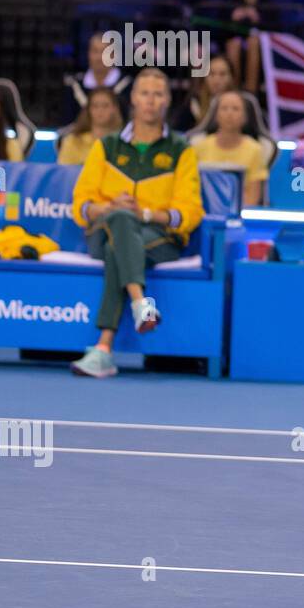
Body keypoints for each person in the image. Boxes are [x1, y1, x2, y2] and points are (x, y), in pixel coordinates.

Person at [69, 69, 204, 378]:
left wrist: (145, 214)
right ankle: (140, 302)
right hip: (104, 234)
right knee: (118, 218)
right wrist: (109, 207)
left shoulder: (181, 151)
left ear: (168, 101)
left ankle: (103, 348)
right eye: (145, 93)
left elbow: (189, 213)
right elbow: (81, 206)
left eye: (158, 94)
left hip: (160, 240)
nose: (151, 101)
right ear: (133, 99)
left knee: (122, 239)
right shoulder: (107, 147)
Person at [193, 90, 269, 207]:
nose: (229, 113)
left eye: (235, 109)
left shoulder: (255, 150)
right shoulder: (199, 147)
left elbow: (253, 199)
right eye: (224, 108)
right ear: (216, 115)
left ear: (245, 116)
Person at [62, 33, 132, 126]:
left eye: (104, 52)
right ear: (88, 54)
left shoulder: (128, 85)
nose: (99, 57)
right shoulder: (74, 85)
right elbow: (67, 123)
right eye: (95, 51)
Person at [58, 87, 124, 165]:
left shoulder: (124, 143)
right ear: (88, 109)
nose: (100, 110)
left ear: (115, 109)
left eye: (105, 106)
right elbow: (64, 173)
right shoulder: (72, 141)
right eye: (95, 106)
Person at [174, 53, 239, 131]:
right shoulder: (194, 103)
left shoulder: (241, 104)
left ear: (232, 78)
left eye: (222, 74)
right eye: (211, 74)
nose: (216, 80)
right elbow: (178, 134)